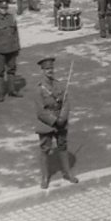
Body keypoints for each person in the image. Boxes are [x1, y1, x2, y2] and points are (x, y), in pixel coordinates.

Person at [34, 56, 78, 189]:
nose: (50, 71)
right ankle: (45, 177)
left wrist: (62, 118)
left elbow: (66, 103)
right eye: (47, 69)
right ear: (42, 71)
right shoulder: (39, 89)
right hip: (47, 124)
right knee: (45, 149)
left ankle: (67, 173)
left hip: (61, 121)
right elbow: (40, 111)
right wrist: (54, 121)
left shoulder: (59, 85)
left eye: (51, 68)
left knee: (63, 146)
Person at [0, 0, 22, 101]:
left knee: (11, 70)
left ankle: (12, 90)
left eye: (6, 8)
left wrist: (17, 47)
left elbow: (15, 34)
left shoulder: (11, 18)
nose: (4, 10)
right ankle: (1, 93)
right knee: (0, 72)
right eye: (2, 8)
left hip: (12, 49)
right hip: (1, 51)